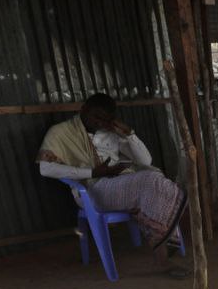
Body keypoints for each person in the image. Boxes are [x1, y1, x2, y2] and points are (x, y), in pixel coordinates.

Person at [37, 94, 189, 277]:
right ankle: (163, 255)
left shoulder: (111, 132)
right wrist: (93, 172)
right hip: (93, 189)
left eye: (106, 119)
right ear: (83, 109)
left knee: (156, 181)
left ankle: (162, 252)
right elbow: (45, 168)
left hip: (123, 183)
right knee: (152, 181)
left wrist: (128, 134)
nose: (100, 123)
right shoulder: (61, 132)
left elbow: (145, 160)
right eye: (96, 117)